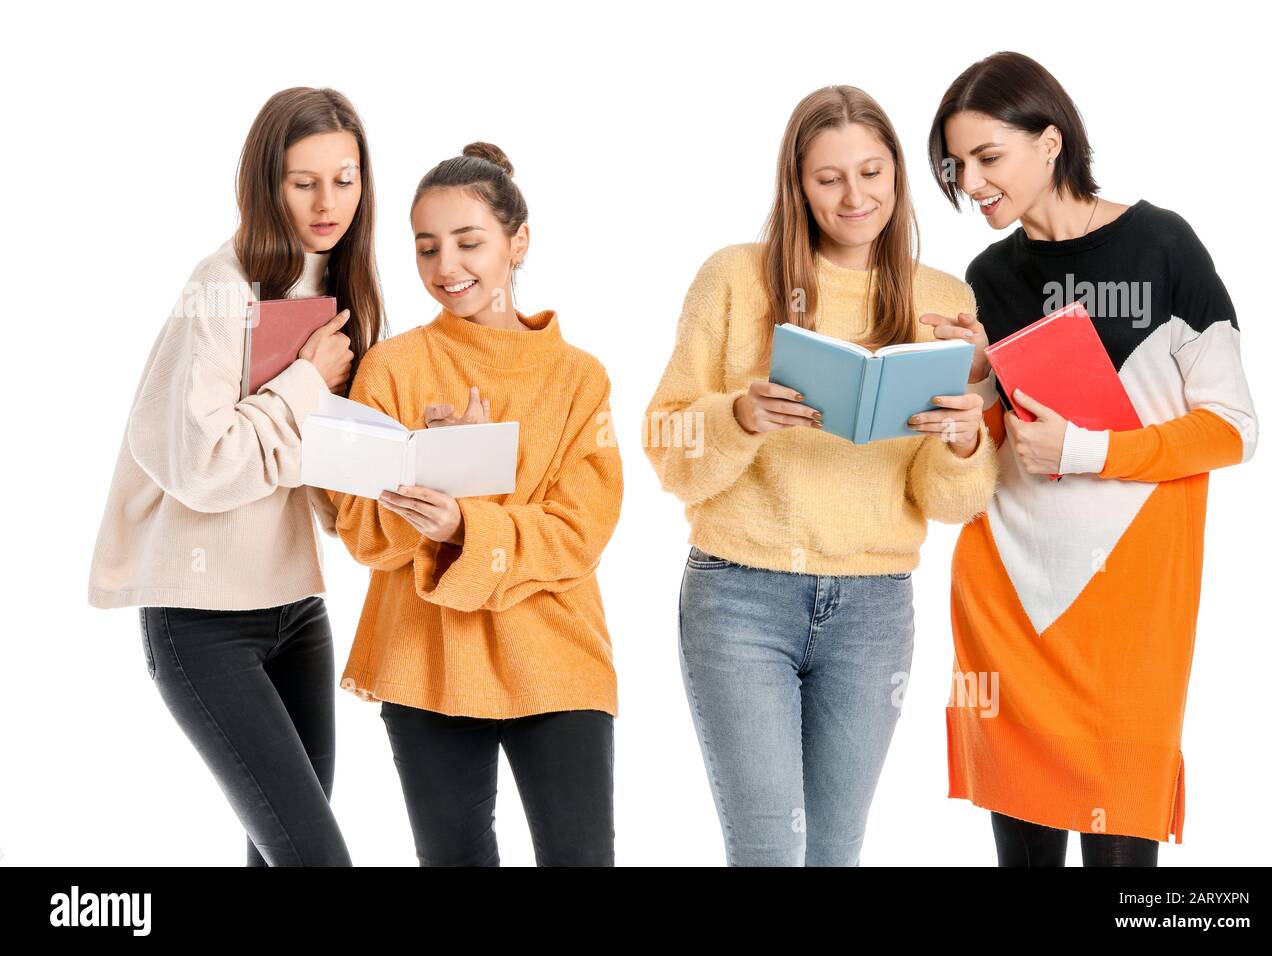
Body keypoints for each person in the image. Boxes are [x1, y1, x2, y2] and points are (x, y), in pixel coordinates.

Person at [643, 86, 997, 866]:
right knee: (769, 850)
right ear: (796, 184)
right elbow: (666, 448)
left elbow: (950, 502)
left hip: (873, 609)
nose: (854, 196)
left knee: (834, 853)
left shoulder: (942, 300)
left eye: (872, 172)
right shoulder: (734, 279)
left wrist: (968, 437)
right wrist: (738, 416)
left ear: (899, 177)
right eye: (828, 177)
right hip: (741, 596)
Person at [927, 51, 1259, 865]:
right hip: (1007, 597)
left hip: (1131, 606)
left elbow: (1233, 429)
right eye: (957, 164)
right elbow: (1012, 426)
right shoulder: (986, 277)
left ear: (1050, 142)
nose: (970, 183)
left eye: (987, 157)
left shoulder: (1162, 245)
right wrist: (978, 393)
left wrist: (1089, 449)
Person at [88, 87, 386, 865]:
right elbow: (202, 464)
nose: (328, 203)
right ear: (266, 183)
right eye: (304, 181)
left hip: (297, 610)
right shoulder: (221, 285)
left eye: (345, 179)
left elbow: (319, 467)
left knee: (280, 855)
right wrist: (308, 384)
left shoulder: (335, 288)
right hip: (203, 621)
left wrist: (404, 444)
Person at [328, 142, 623, 867]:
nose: (446, 268)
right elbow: (360, 531)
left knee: (582, 856)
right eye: (426, 248)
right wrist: (437, 481)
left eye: (469, 243)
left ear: (518, 242)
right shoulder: (391, 368)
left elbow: (580, 532)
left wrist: (468, 520)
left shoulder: (580, 378)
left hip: (556, 653)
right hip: (426, 658)